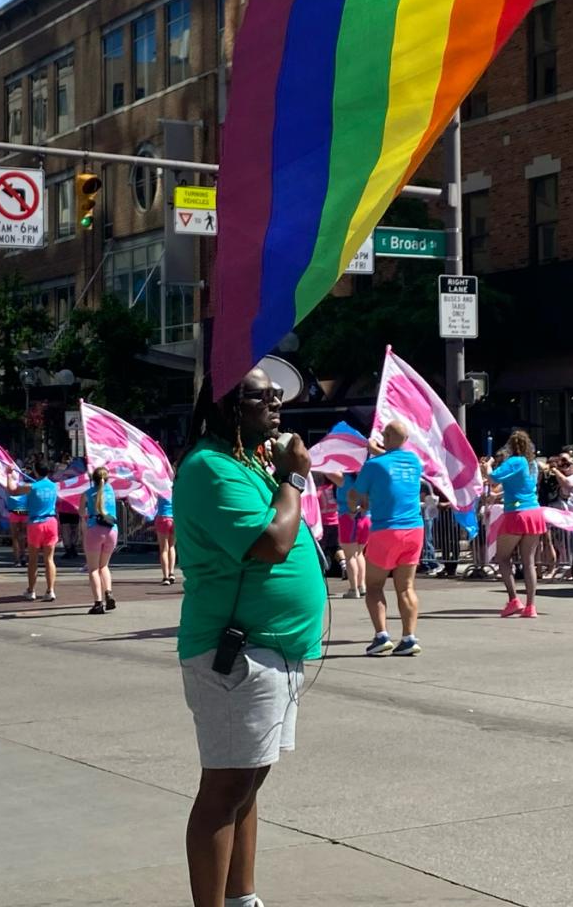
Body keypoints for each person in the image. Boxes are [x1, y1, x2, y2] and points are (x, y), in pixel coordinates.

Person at [175, 369, 325, 907]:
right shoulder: (211, 467)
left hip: (270, 648)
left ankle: (242, 898)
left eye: (278, 397)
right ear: (228, 406)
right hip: (237, 652)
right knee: (225, 790)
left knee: (247, 783)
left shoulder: (248, 462)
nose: (276, 406)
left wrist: (282, 475)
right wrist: (294, 479)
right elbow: (271, 542)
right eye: (262, 397)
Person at [354, 422, 426, 656]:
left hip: (386, 529)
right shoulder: (414, 461)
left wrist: (358, 501)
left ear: (388, 436)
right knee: (406, 587)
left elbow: (356, 494)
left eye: (384, 433)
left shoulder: (373, 465)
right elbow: (393, 461)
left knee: (374, 585)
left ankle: (381, 636)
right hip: (414, 529)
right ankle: (409, 638)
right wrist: (379, 450)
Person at [483, 430, 544, 619]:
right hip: (534, 512)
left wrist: (488, 466)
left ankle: (514, 599)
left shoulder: (514, 461)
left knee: (502, 558)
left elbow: (492, 478)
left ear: (511, 445)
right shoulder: (532, 464)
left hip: (517, 513)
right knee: (529, 561)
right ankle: (531, 606)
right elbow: (520, 486)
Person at [7, 462, 62, 602]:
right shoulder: (54, 486)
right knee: (49, 559)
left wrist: (9, 475)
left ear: (36, 472)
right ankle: (50, 590)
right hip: (51, 522)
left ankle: (31, 590)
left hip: (36, 523)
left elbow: (12, 490)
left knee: (33, 559)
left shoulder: (32, 487)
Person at [81, 467, 120, 614]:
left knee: (93, 569)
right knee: (104, 566)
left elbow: (80, 512)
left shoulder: (87, 494)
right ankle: (108, 592)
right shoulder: (111, 491)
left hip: (95, 530)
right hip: (112, 530)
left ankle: (98, 603)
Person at [335, 468, 368, 599]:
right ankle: (362, 585)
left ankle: (353, 589)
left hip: (348, 517)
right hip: (365, 517)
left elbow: (326, 470)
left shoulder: (343, 479)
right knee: (359, 553)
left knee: (350, 556)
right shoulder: (366, 480)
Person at [155, 492, 178, 585]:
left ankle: (166, 577)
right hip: (174, 518)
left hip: (162, 517)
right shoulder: (176, 490)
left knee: (164, 549)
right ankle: (172, 573)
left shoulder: (160, 490)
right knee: (172, 546)